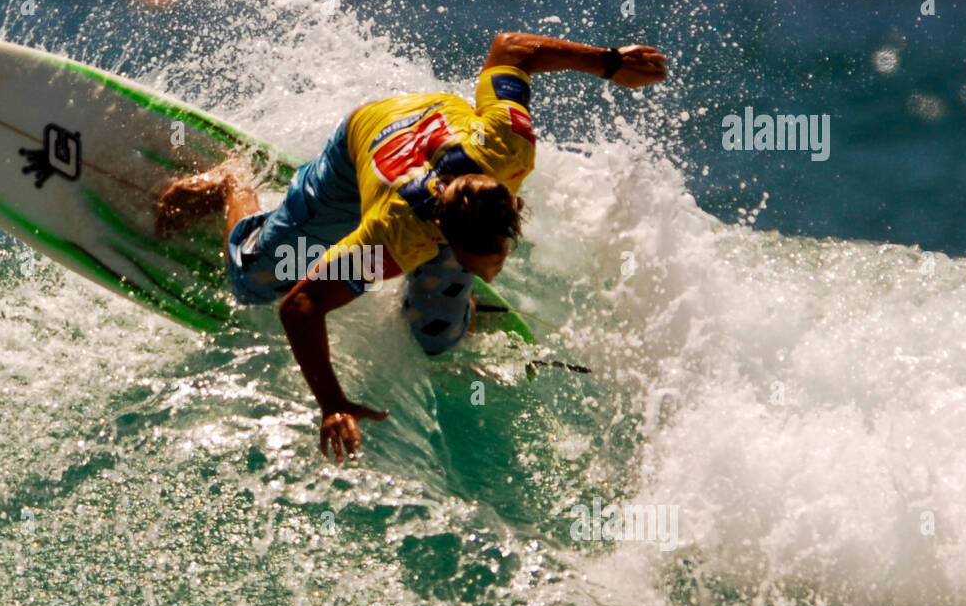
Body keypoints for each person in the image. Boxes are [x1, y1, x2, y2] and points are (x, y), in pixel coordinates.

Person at [156, 33, 667, 460]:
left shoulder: (509, 146)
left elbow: (512, 49)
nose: (492, 272)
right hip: (366, 141)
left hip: (435, 131)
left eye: (496, 258)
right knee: (256, 282)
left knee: (435, 340)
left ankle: (453, 302)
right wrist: (332, 402)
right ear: (444, 240)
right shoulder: (396, 236)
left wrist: (611, 63)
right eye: (478, 265)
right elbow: (302, 306)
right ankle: (230, 182)